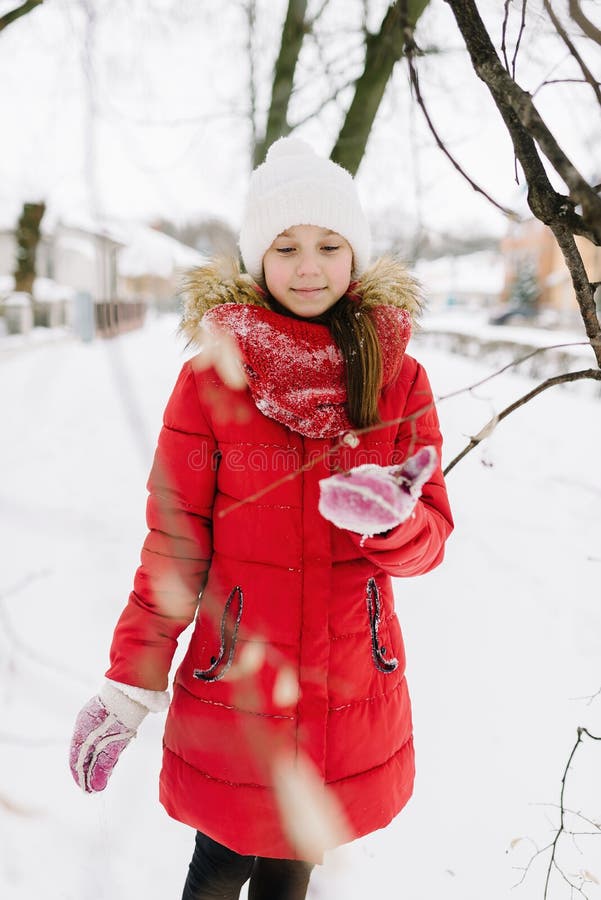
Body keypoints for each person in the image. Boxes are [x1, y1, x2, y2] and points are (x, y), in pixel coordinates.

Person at [69, 137, 453, 900]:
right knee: (218, 864)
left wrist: (391, 524)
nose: (307, 266)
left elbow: (428, 544)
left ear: (355, 254)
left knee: (290, 871)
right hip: (238, 678)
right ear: (255, 258)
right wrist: (128, 683)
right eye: (285, 246)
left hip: (347, 681)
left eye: (327, 244)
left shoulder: (398, 377)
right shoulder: (214, 377)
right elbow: (174, 545)